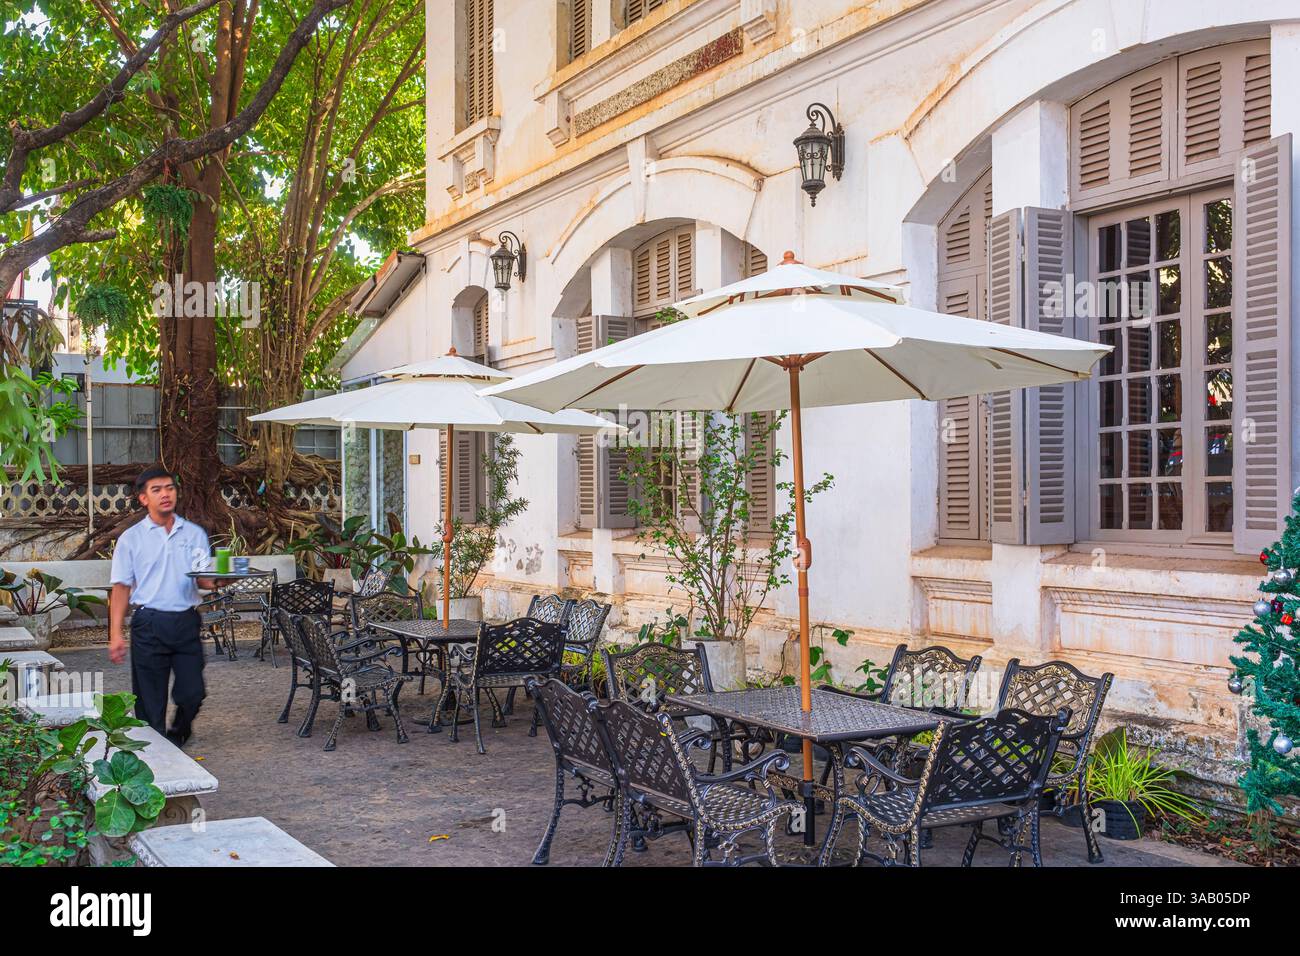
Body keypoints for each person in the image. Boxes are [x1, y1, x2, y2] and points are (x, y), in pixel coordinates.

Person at [109, 466, 215, 746]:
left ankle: (180, 731)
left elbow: (204, 582)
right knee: (149, 699)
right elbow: (120, 588)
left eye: (169, 488)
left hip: (186, 621)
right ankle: (154, 754)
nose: (165, 494)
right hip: (149, 623)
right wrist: (116, 634)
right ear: (144, 498)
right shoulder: (131, 539)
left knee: (193, 692)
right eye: (156, 490)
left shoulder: (194, 534)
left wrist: (223, 580)